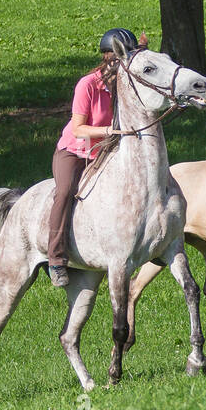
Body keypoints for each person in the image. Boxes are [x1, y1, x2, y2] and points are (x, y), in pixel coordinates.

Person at [45, 27, 140, 287]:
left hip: (105, 152)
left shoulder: (125, 86)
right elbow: (78, 128)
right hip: (75, 151)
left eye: (128, 56)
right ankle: (55, 259)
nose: (125, 61)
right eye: (121, 56)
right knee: (64, 192)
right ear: (107, 56)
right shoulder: (88, 84)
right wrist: (109, 131)